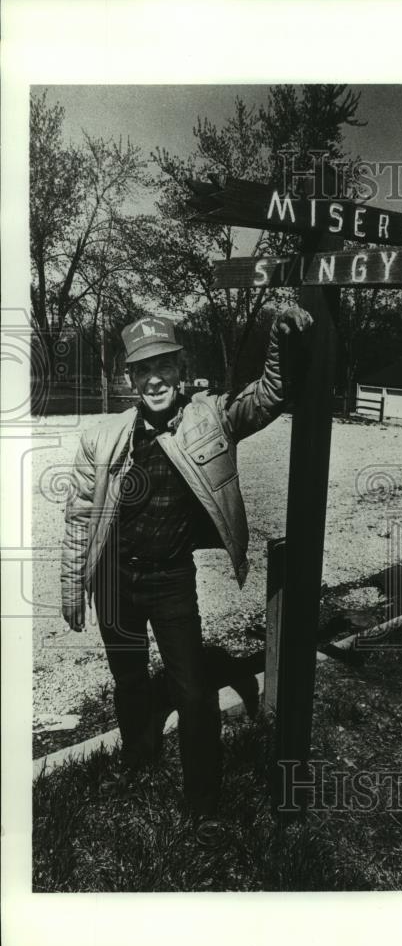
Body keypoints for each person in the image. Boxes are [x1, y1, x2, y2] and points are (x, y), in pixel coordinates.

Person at [60, 307, 313, 847]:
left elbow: (270, 394)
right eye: (142, 370)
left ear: (181, 369)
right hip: (112, 581)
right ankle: (139, 762)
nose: (154, 379)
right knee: (128, 681)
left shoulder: (212, 417)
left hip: (171, 579)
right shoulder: (104, 436)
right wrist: (73, 586)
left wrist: (279, 339)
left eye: (164, 366)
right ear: (129, 379)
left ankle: (204, 804)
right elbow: (81, 514)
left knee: (194, 692)